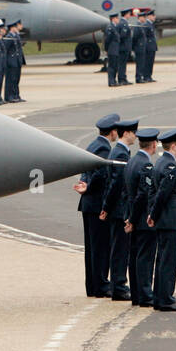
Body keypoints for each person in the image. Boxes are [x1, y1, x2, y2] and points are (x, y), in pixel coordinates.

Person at [74, 114, 117, 298]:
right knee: (100, 247)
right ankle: (100, 285)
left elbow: (85, 169)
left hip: (87, 203)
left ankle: (92, 285)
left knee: (92, 247)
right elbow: (100, 175)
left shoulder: (93, 145)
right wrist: (89, 186)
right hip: (96, 203)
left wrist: (84, 184)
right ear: (113, 132)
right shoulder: (104, 149)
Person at [147, 127, 176, 312]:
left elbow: (152, 193)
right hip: (169, 219)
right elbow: (163, 193)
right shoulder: (169, 166)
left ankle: (159, 296)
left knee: (161, 258)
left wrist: (151, 214)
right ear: (174, 145)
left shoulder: (160, 162)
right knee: (168, 260)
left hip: (162, 218)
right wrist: (153, 214)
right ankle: (165, 299)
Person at [100, 117, 138, 301]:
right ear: (126, 133)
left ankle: (118, 284)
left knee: (119, 248)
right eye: (133, 132)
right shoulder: (121, 154)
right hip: (119, 209)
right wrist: (107, 207)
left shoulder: (119, 151)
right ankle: (119, 286)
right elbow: (116, 184)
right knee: (120, 249)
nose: (135, 136)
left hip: (116, 208)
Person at [124, 127, 159, 307]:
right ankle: (145, 295)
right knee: (145, 257)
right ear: (153, 144)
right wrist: (133, 218)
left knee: (135, 256)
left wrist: (129, 217)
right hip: (142, 219)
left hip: (133, 216)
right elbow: (142, 195)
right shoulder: (146, 165)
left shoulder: (131, 161)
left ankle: (137, 294)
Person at [4, 20, 25, 102]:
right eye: (19, 25)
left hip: (17, 61)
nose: (21, 27)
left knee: (16, 79)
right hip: (11, 61)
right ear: (13, 28)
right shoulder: (9, 37)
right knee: (11, 79)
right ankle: (10, 96)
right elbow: (6, 50)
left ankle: (16, 95)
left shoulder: (16, 36)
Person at [102, 12, 122, 87]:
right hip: (112, 50)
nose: (118, 20)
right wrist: (107, 49)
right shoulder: (110, 28)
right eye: (117, 18)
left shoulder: (115, 27)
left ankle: (114, 80)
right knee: (111, 66)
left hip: (116, 50)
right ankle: (111, 81)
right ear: (113, 19)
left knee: (115, 66)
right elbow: (107, 40)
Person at [113, 11, 132, 86]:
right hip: (123, 47)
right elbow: (122, 36)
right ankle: (121, 79)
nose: (129, 15)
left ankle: (123, 78)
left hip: (125, 47)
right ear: (126, 14)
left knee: (123, 64)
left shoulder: (124, 23)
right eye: (129, 14)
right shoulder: (123, 23)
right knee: (122, 64)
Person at [140, 9, 158, 82]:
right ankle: (146, 76)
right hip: (148, 46)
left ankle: (149, 76)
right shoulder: (146, 25)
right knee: (147, 62)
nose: (154, 17)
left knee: (150, 62)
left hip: (152, 46)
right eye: (153, 16)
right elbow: (144, 36)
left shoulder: (150, 24)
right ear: (149, 16)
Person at [132, 11, 149, 83]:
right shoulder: (137, 26)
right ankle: (138, 78)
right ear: (140, 17)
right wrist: (136, 47)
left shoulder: (141, 26)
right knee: (139, 63)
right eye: (144, 17)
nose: (145, 19)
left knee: (141, 63)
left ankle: (140, 76)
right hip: (139, 48)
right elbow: (135, 37)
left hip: (141, 47)